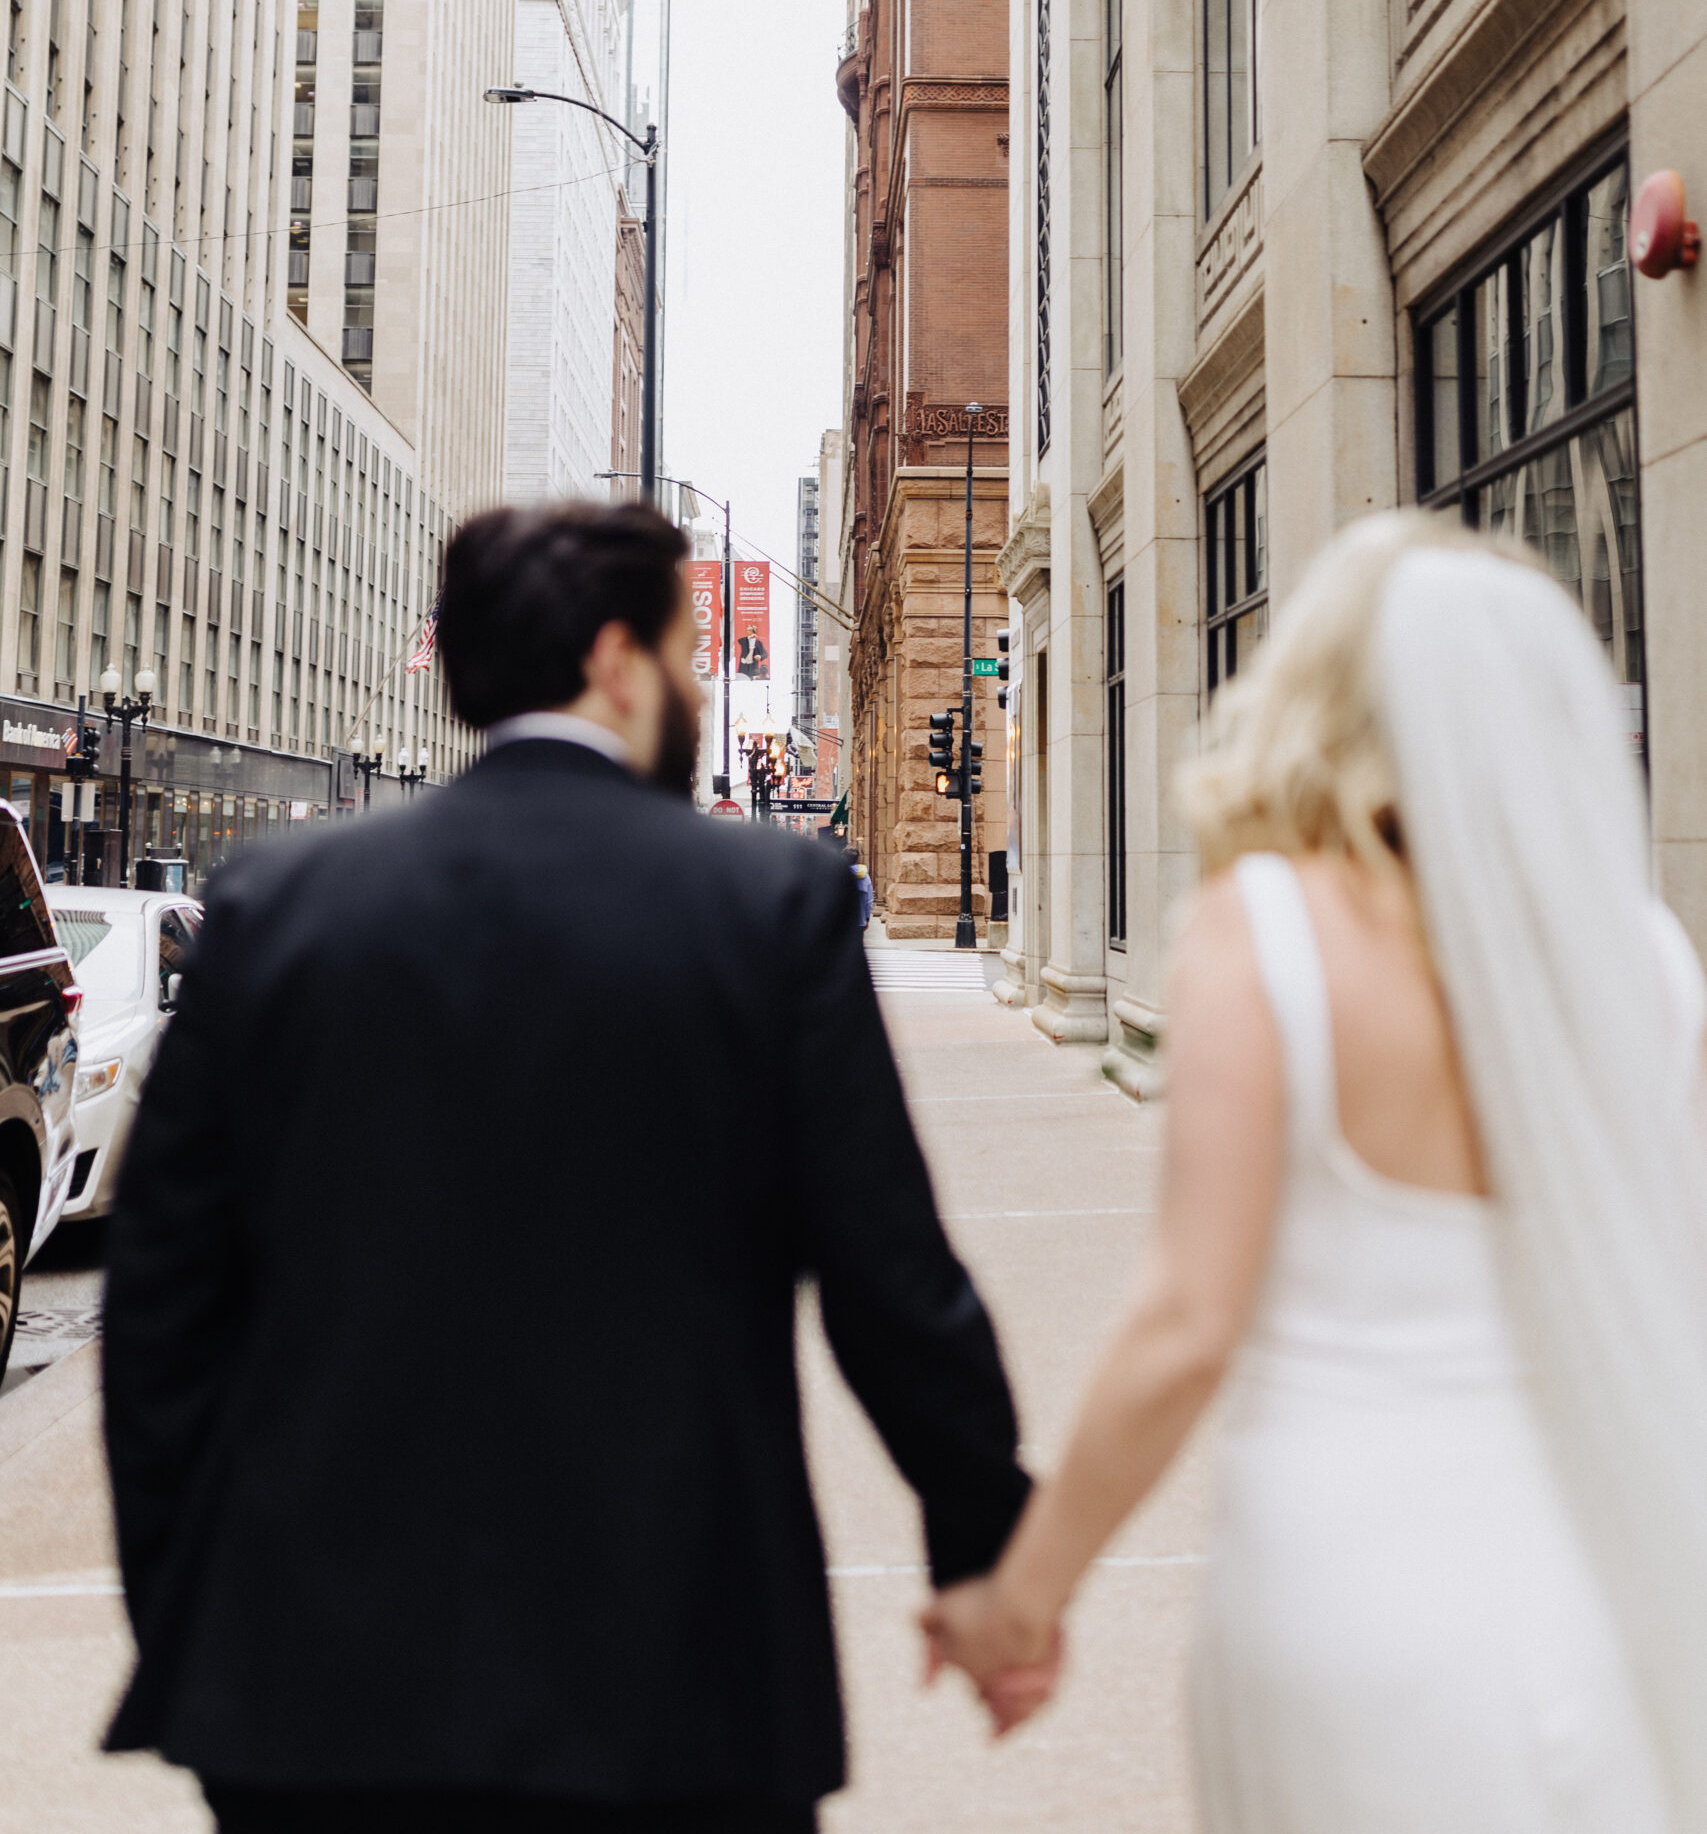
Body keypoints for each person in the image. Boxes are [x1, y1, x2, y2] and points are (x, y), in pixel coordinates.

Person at [102, 498, 1031, 1834]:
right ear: (615, 661)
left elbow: (161, 1308)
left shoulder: (276, 905)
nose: (701, 689)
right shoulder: (767, 908)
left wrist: (199, 1612)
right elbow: (894, 1285)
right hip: (676, 1685)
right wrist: (988, 1552)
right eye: (687, 655)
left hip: (314, 1693)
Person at [923, 513, 1707, 1833]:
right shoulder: (1646, 959)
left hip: (1347, 1587)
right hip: (1595, 1570)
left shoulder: (1270, 926)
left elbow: (1185, 1327)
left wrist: (1026, 1593)